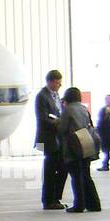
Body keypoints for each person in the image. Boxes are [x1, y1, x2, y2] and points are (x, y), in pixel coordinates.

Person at [58, 87, 101, 212]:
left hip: (74, 146)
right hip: (86, 143)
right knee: (86, 175)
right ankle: (94, 204)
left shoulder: (68, 110)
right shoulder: (83, 108)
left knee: (76, 176)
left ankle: (79, 204)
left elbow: (62, 128)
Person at [35, 69, 67, 209]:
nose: (59, 86)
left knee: (62, 167)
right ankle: (48, 200)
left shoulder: (56, 95)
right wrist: (59, 122)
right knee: (50, 169)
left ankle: (56, 197)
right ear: (51, 82)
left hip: (58, 137)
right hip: (48, 138)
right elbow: (43, 117)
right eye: (58, 83)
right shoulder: (42, 96)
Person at [97, 94, 110, 171]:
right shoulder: (102, 109)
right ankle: (105, 165)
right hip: (104, 133)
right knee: (105, 150)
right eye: (106, 99)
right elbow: (100, 121)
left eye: (108, 99)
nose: (107, 101)